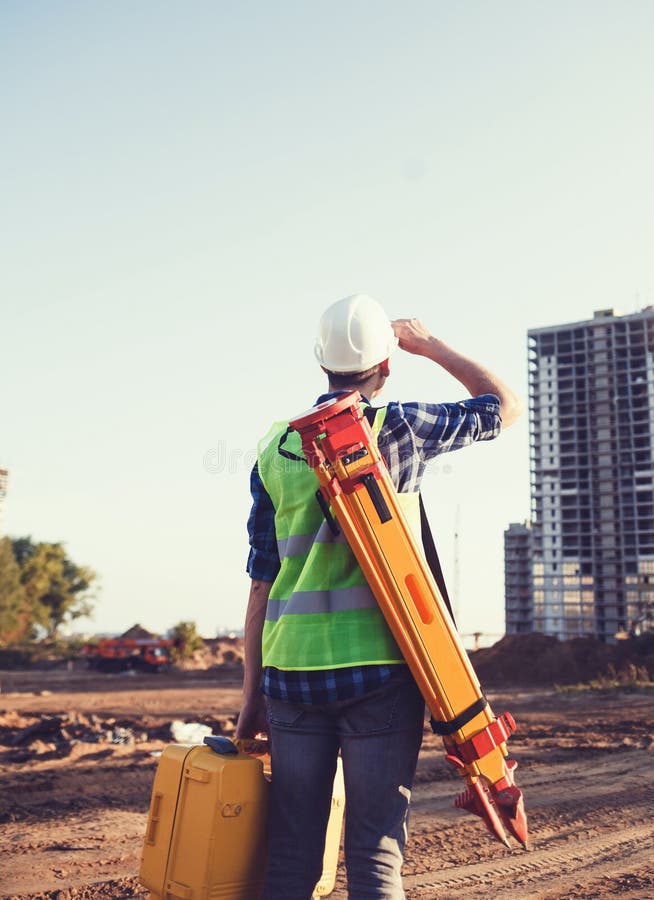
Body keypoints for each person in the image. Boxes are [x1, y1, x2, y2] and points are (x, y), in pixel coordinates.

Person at [236, 294, 522, 899]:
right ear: (386, 367)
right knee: (374, 856)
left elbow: (262, 581)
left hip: (290, 675)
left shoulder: (274, 448)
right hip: (381, 675)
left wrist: (251, 695)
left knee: (291, 858)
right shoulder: (398, 428)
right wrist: (431, 344)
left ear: (322, 366)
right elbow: (504, 407)